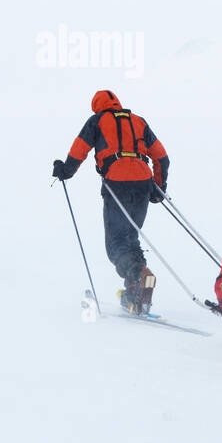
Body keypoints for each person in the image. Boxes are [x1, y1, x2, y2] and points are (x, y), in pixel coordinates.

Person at [52, 90, 170, 314]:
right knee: (130, 237)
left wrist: (65, 171)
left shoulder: (97, 120)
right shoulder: (138, 121)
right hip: (143, 183)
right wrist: (158, 188)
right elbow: (162, 157)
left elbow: (80, 149)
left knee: (116, 244)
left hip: (117, 183)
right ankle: (135, 293)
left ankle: (138, 275)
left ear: (97, 107)